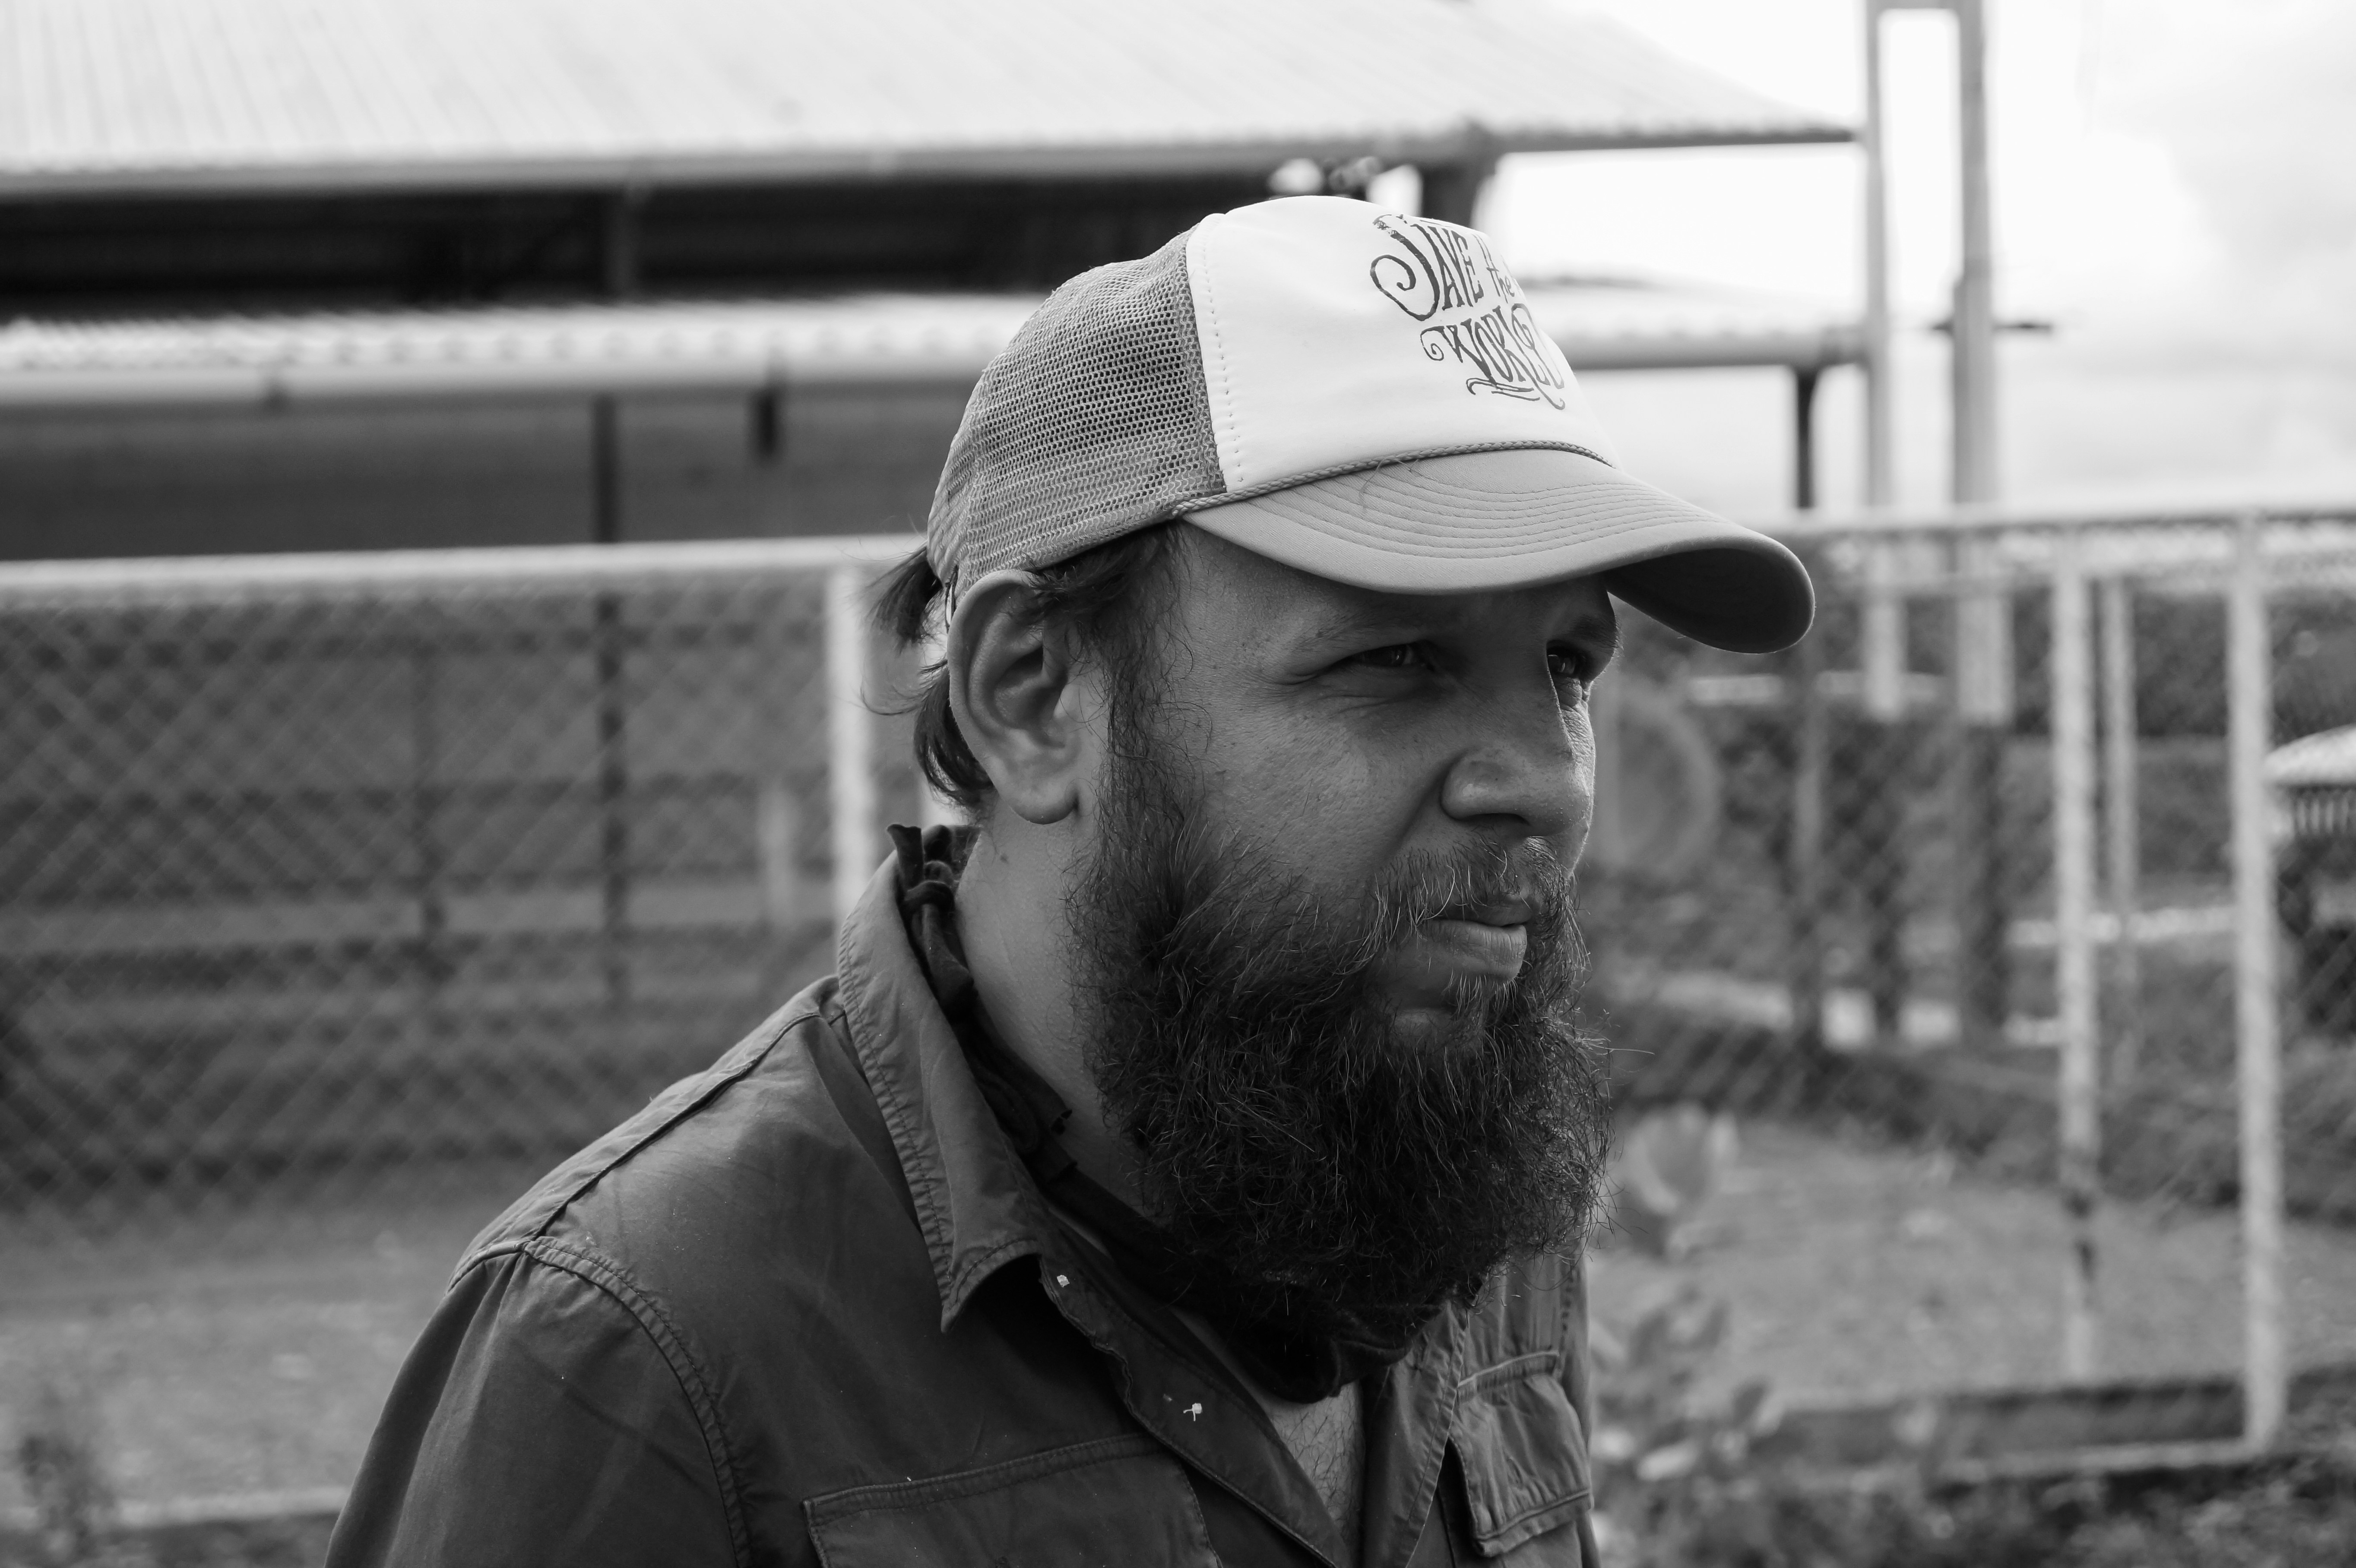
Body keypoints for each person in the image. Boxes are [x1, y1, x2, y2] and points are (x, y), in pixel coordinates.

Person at [326, 194, 1811, 1568]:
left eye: (1564, 666)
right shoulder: (636, 1362)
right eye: (1397, 659)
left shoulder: (1453, 1187)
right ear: (1034, 700)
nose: (1543, 778)